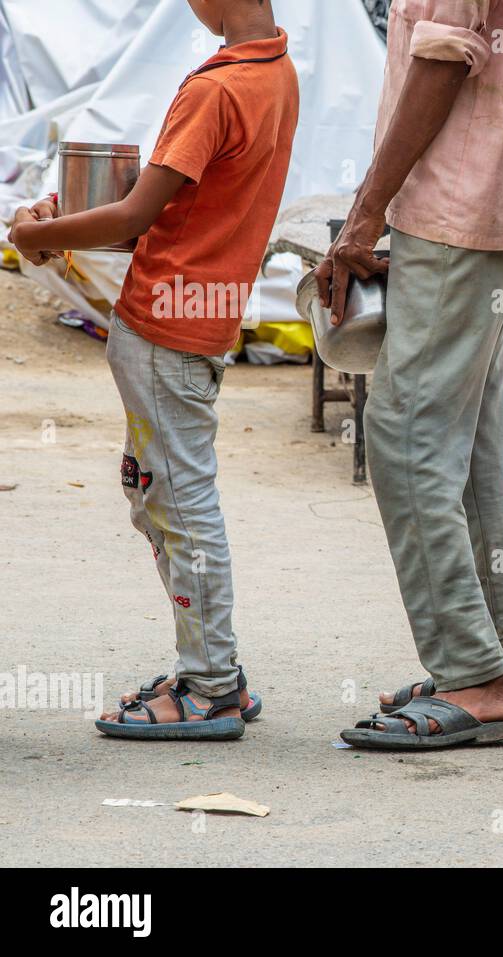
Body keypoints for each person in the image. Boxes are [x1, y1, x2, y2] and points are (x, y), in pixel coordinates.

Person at [6, 0, 298, 740]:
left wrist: (38, 233)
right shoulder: (276, 70)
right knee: (155, 490)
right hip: (202, 317)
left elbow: (133, 217)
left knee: (179, 501)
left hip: (166, 327)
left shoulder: (214, 90)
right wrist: (68, 220)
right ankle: (210, 668)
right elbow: (183, 204)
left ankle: (210, 684)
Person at [321, 0, 503, 750]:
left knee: (404, 434)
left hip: (452, 201)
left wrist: (366, 214)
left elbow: (442, 55)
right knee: (462, 444)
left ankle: (475, 673)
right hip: (493, 196)